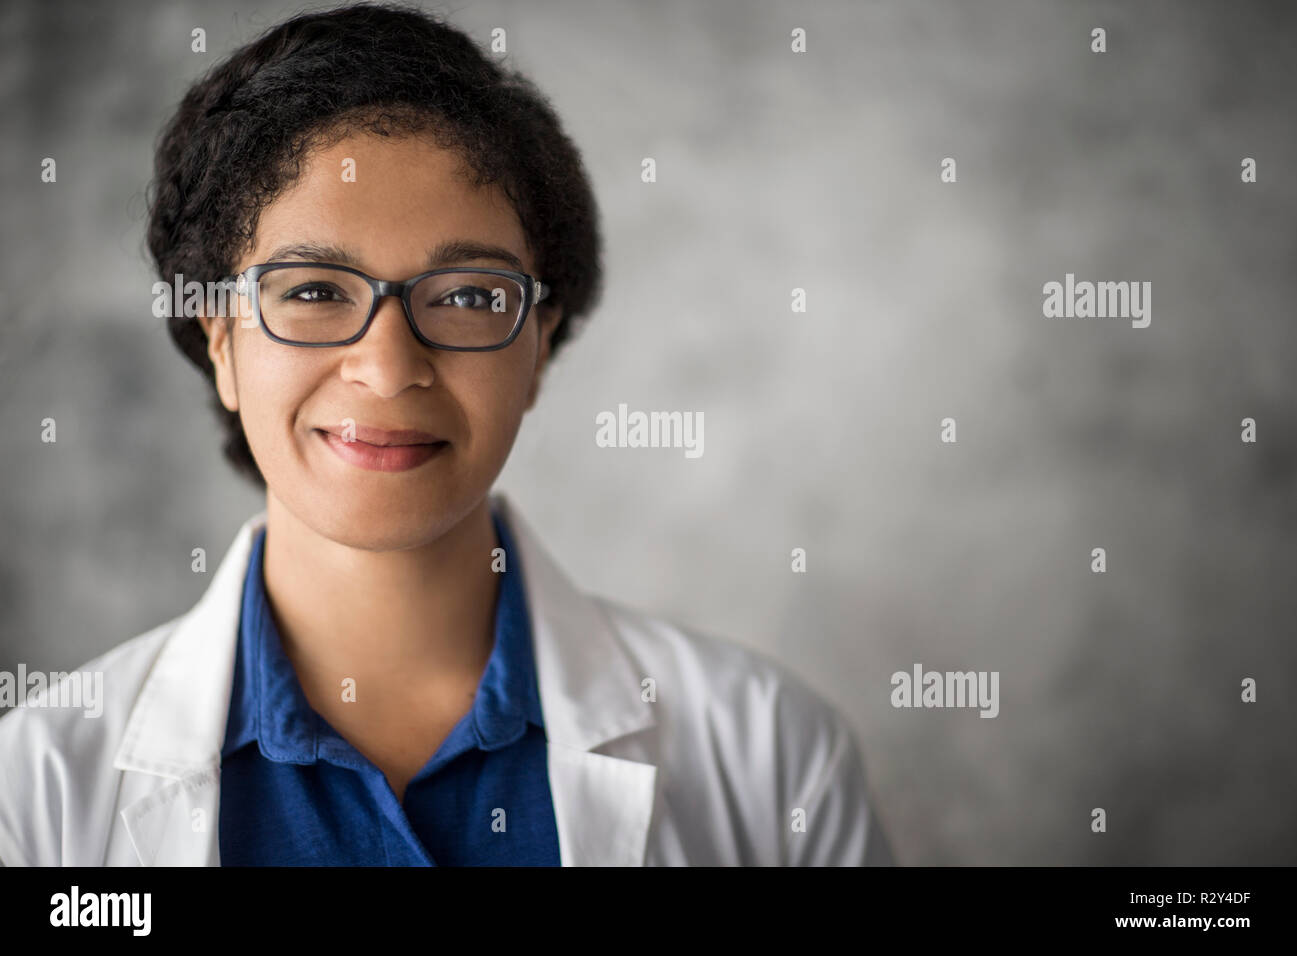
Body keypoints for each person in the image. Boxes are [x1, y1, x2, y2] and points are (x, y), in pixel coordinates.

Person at [0, 2, 893, 866]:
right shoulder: (33, 789)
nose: (388, 369)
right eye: (313, 291)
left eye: (468, 296)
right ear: (222, 342)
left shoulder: (772, 754)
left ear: (541, 344)